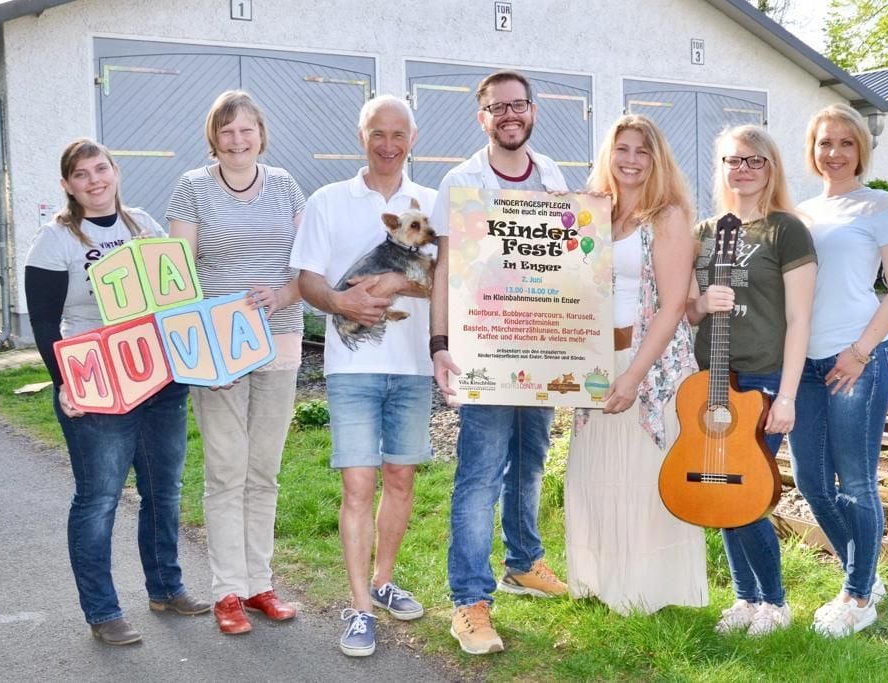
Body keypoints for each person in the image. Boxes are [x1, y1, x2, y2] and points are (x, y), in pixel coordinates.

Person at [24, 139, 210, 645]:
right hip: (99, 387)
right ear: (67, 185)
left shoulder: (143, 225)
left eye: (101, 169)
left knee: (163, 491)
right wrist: (65, 384)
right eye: (81, 174)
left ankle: (166, 589)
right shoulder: (55, 239)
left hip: (159, 378)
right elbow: (43, 321)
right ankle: (103, 612)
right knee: (99, 498)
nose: (94, 180)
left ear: (115, 171)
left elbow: (176, 295)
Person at [291, 95, 436, 657]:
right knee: (359, 485)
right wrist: (341, 304)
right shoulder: (329, 201)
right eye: (378, 133)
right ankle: (357, 609)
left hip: (413, 365)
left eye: (398, 134)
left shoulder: (432, 203)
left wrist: (402, 286)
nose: (388, 144)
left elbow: (449, 280)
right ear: (362, 136)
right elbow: (307, 281)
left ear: (412, 139)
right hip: (353, 367)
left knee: (401, 481)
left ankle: (382, 582)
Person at [430, 70, 569, 656]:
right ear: (481, 117)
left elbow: (569, 267)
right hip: (483, 349)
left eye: (519, 105)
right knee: (480, 474)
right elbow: (441, 269)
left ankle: (523, 562)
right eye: (497, 107)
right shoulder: (461, 182)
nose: (510, 115)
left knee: (531, 461)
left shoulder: (556, 177)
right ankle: (469, 600)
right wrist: (439, 344)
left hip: (540, 350)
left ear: (533, 111)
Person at [167, 90, 305, 635]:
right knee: (226, 470)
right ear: (213, 138)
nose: (237, 140)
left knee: (263, 472)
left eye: (246, 130)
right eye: (227, 132)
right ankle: (226, 590)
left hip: (280, 342)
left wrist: (282, 296)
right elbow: (178, 274)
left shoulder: (287, 185)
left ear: (261, 135)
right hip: (218, 349)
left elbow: (307, 269)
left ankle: (259, 585)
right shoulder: (192, 188)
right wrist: (210, 326)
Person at [565, 115, 707, 616]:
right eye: (622, 149)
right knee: (594, 473)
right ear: (608, 155)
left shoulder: (666, 217)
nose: (630, 160)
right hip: (597, 360)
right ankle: (601, 581)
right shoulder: (591, 214)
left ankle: (651, 590)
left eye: (642, 151)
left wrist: (632, 376)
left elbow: (671, 308)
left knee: (645, 478)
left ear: (657, 159)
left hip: (650, 365)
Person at [686, 125, 816, 636]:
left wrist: (787, 394)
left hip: (763, 380)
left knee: (747, 492)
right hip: (712, 380)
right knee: (719, 487)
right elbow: (689, 313)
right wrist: (700, 303)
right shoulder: (705, 232)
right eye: (732, 161)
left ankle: (775, 604)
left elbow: (800, 319)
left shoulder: (787, 230)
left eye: (753, 161)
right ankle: (745, 599)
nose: (742, 170)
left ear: (771, 167)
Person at [790, 103, 888, 638]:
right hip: (806, 364)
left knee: (856, 481)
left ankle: (859, 596)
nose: (834, 153)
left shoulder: (877, 204)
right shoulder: (799, 213)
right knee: (812, 480)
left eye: (844, 142)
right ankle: (864, 572)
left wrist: (860, 352)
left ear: (860, 147)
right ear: (812, 151)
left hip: (857, 360)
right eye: (824, 143)